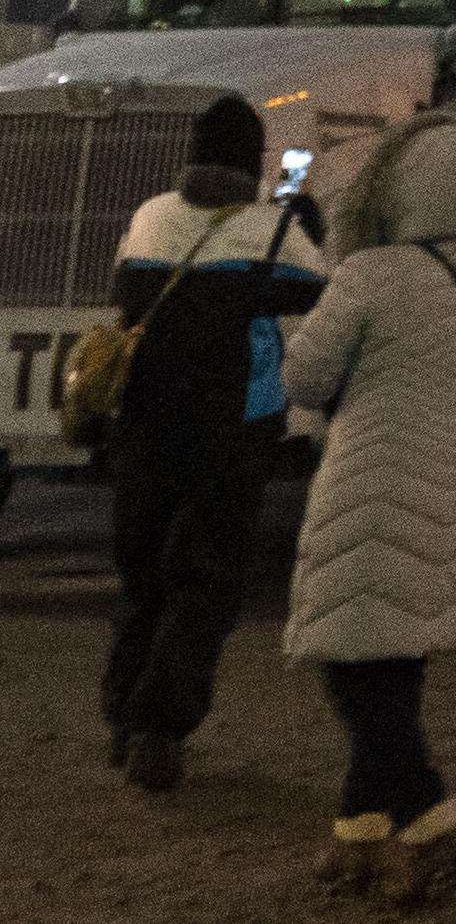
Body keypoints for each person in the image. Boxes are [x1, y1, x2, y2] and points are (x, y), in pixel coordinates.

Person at [280, 113, 456, 903]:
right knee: (393, 667)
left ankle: (431, 831)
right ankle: (356, 837)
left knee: (357, 673)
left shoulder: (371, 273)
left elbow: (304, 380)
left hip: (375, 480)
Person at [100, 93, 327, 792]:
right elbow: (318, 287)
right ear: (252, 159)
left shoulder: (148, 217)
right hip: (233, 427)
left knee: (143, 574)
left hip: (142, 424)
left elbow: (124, 290)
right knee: (206, 578)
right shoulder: (268, 228)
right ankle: (161, 724)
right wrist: (298, 217)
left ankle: (122, 714)